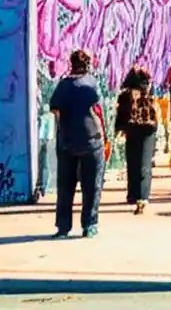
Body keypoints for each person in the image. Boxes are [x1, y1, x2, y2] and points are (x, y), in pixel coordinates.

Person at [50, 49, 106, 238]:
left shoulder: (63, 86)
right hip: (91, 139)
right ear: (87, 65)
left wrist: (63, 131)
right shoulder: (92, 84)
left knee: (65, 186)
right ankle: (89, 225)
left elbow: (55, 112)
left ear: (71, 64)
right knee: (92, 185)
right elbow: (98, 111)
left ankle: (63, 227)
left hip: (67, 141)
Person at [114, 65, 159, 215]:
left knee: (138, 162)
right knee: (138, 162)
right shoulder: (138, 95)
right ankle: (138, 194)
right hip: (140, 130)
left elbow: (121, 114)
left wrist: (119, 129)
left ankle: (138, 194)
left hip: (139, 130)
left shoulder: (137, 96)